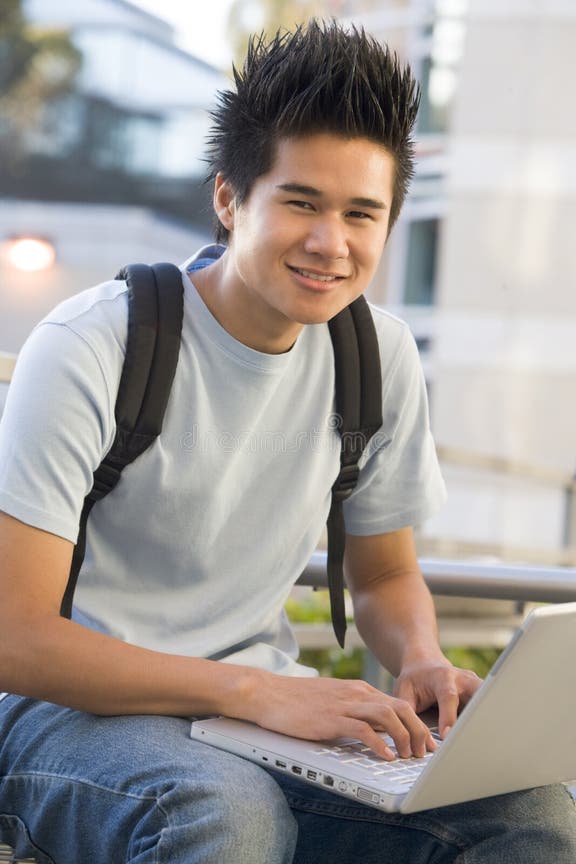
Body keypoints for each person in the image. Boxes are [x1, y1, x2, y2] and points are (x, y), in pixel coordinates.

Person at [0, 20, 574, 864]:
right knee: (225, 816)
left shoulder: (375, 354)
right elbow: (17, 638)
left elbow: (382, 572)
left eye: (361, 214)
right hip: (71, 718)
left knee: (527, 816)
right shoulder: (94, 343)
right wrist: (255, 691)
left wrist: (420, 658)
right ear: (230, 199)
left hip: (256, 716)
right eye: (301, 202)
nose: (329, 244)